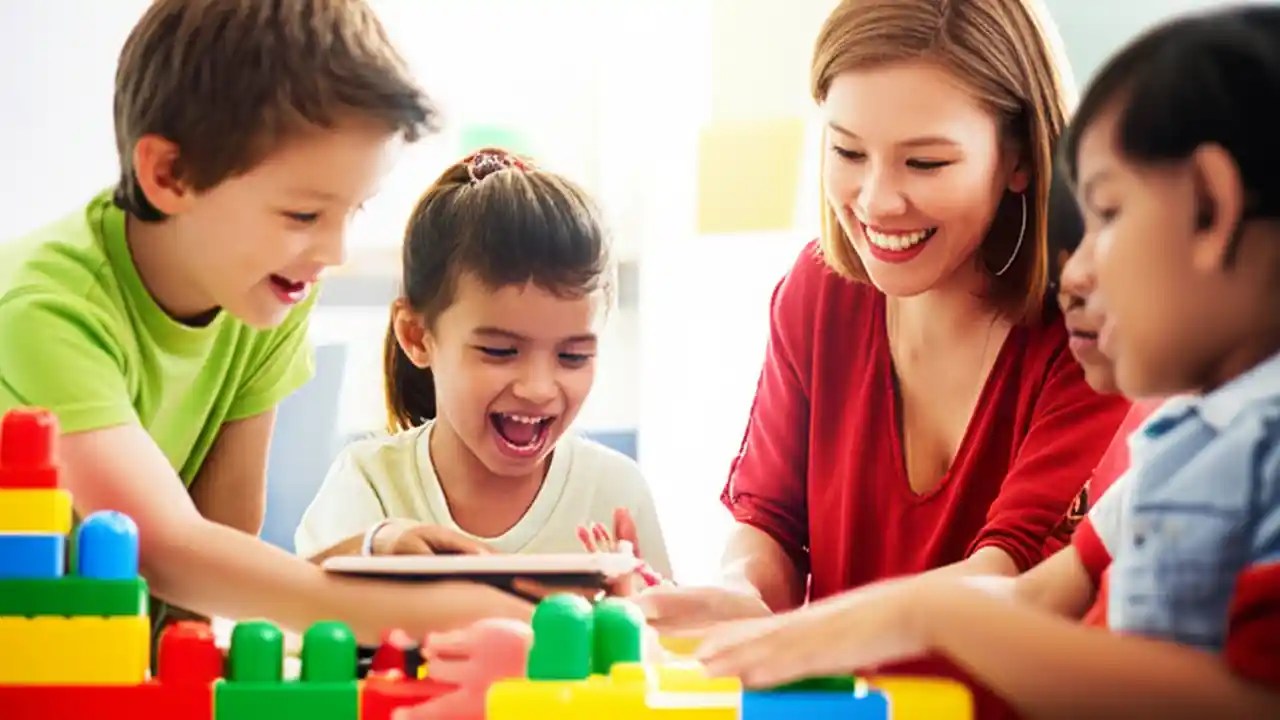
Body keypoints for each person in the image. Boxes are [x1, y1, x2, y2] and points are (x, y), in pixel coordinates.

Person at [695, 6, 1280, 717]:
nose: (1079, 272)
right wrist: (755, 613)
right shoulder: (1178, 451)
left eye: (1106, 216)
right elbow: (1033, 597)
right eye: (847, 152)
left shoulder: (1239, 445)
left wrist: (927, 615)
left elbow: (1243, 700)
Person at [637, 0, 1130, 713]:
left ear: (1020, 157)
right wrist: (738, 596)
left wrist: (806, 634)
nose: (875, 201)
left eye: (925, 162)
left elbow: (1010, 578)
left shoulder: (1100, 329)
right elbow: (770, 522)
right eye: (846, 152)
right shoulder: (818, 293)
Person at [0, 0, 533, 645]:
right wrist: (464, 614)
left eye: (353, 211)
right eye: (303, 216)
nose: (333, 253)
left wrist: (370, 552)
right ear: (169, 175)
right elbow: (165, 551)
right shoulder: (43, 311)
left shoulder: (261, 295)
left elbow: (218, 556)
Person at [294, 149, 672, 584]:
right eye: (499, 351)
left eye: (573, 356)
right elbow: (296, 609)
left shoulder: (615, 491)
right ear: (417, 336)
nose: (538, 388)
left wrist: (632, 615)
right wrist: (377, 547)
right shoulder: (370, 482)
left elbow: (670, 641)